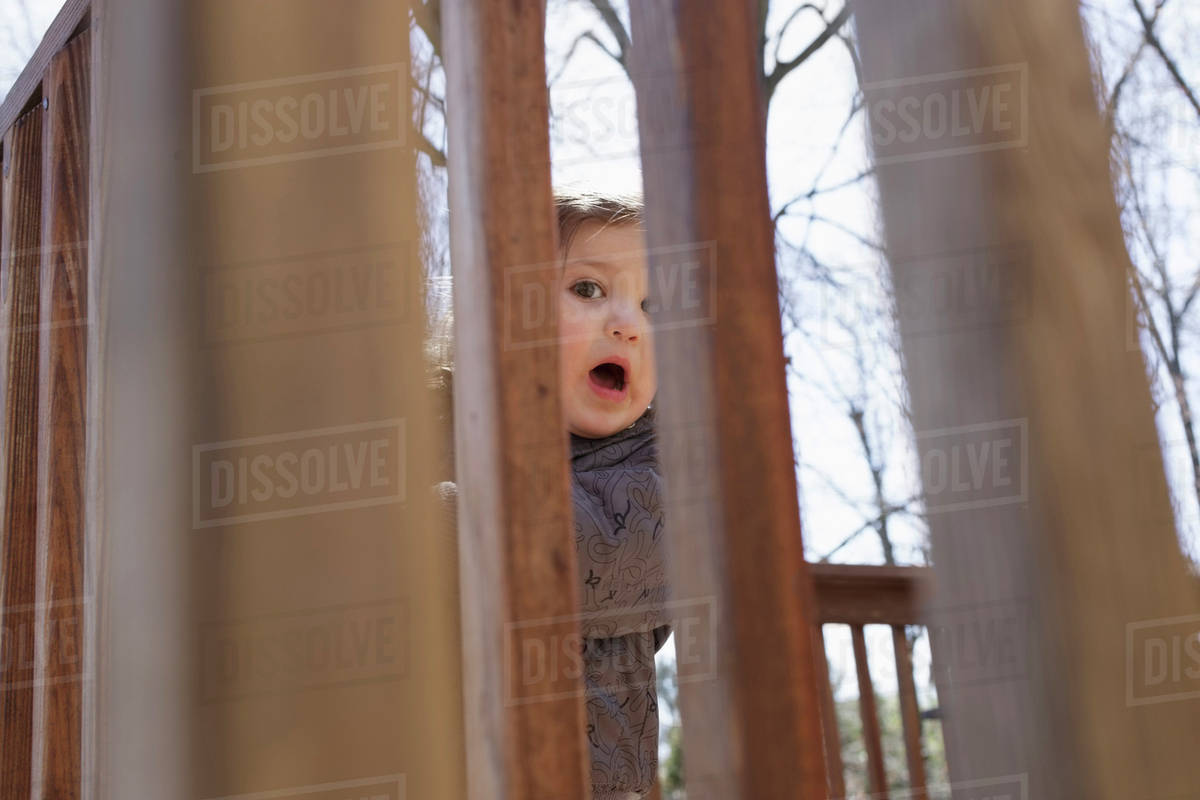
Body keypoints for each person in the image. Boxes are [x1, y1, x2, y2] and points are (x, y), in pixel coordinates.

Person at [429, 189, 670, 800]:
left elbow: (564, 548)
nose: (628, 323)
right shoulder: (434, 426)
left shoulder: (660, 474)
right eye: (588, 289)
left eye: (653, 305)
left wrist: (415, 520)